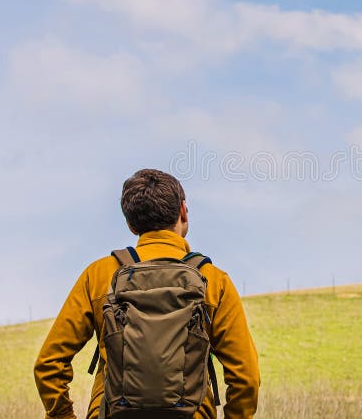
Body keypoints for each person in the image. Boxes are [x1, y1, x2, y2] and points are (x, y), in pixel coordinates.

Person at [34, 168, 260, 418]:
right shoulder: (214, 281)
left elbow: (48, 365)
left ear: (130, 224)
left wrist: (62, 416)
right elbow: (246, 378)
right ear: (183, 211)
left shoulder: (99, 275)